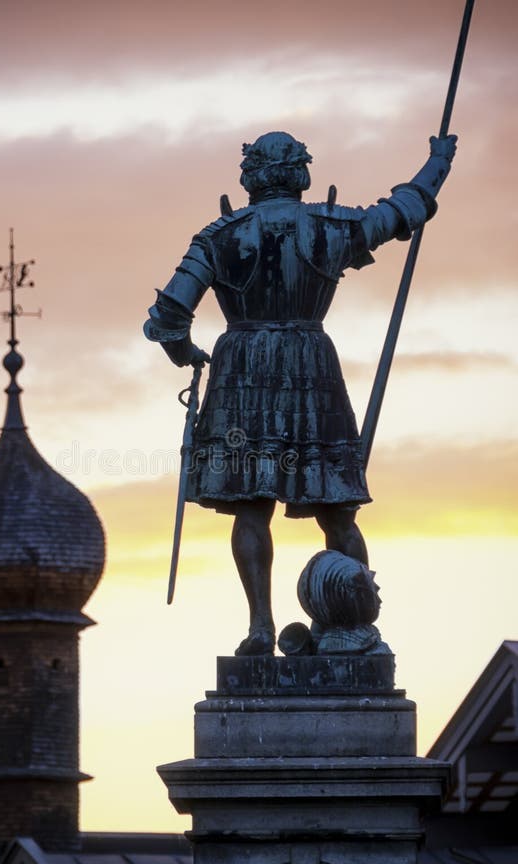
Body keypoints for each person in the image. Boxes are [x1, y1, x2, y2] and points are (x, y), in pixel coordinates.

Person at [144, 131, 456, 655]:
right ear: (302, 173)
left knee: (250, 506)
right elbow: (407, 209)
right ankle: (354, 624)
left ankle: (260, 627)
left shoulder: (218, 236)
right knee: (338, 510)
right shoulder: (333, 226)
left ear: (249, 177)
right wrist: (438, 160)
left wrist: (187, 354)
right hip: (312, 369)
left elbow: (168, 316)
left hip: (241, 370)